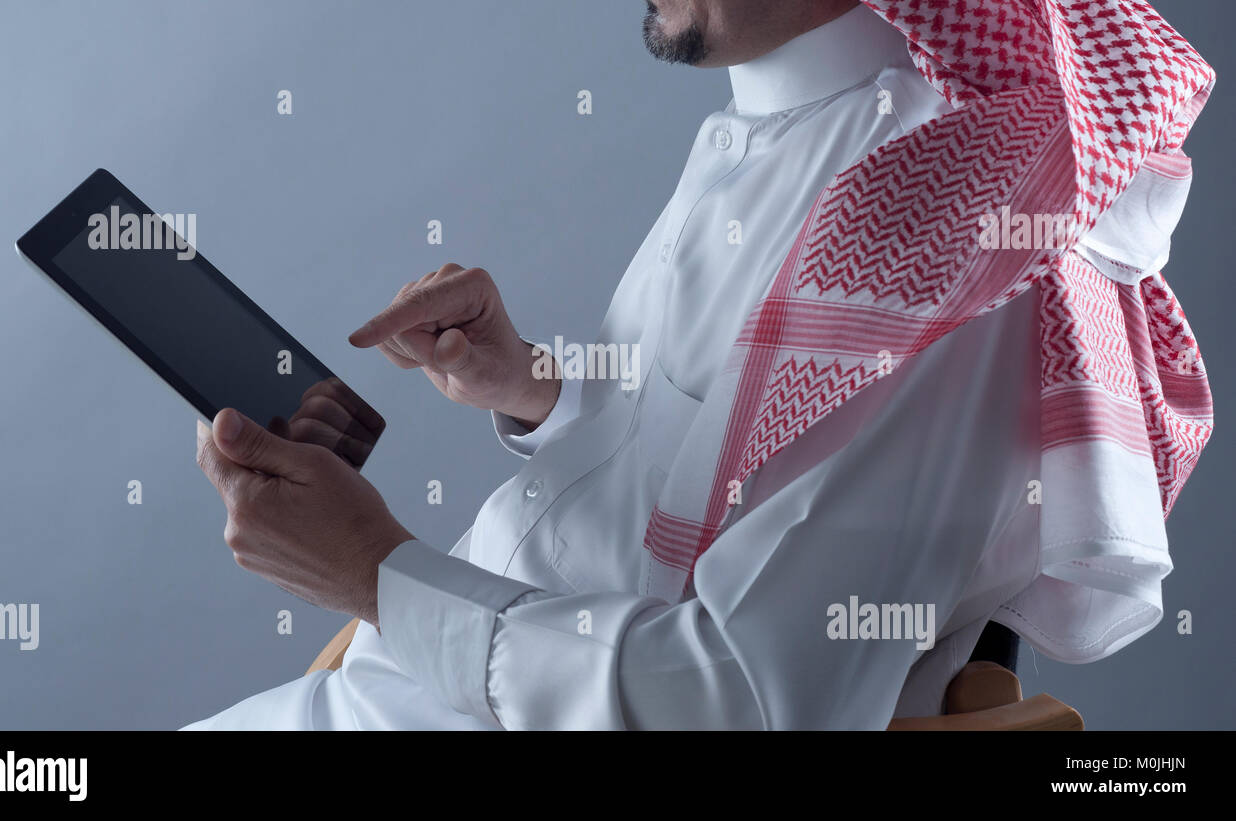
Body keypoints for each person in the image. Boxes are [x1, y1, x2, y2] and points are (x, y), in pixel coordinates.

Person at [184, 0, 1214, 730]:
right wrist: (540, 389)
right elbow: (718, 460)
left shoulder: (938, 217)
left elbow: (754, 704)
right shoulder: (784, 109)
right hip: (414, 676)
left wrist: (377, 573)